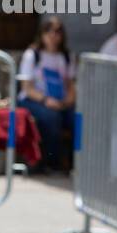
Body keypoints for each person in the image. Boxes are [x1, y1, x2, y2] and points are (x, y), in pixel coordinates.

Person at [18, 16, 76, 174]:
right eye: (49, 31)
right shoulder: (32, 55)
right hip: (35, 99)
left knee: (77, 118)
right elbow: (27, 88)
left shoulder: (65, 56)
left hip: (60, 101)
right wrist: (46, 100)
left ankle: (74, 163)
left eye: (57, 31)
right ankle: (51, 162)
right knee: (51, 118)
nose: (53, 35)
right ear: (42, 34)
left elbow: (71, 85)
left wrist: (68, 101)